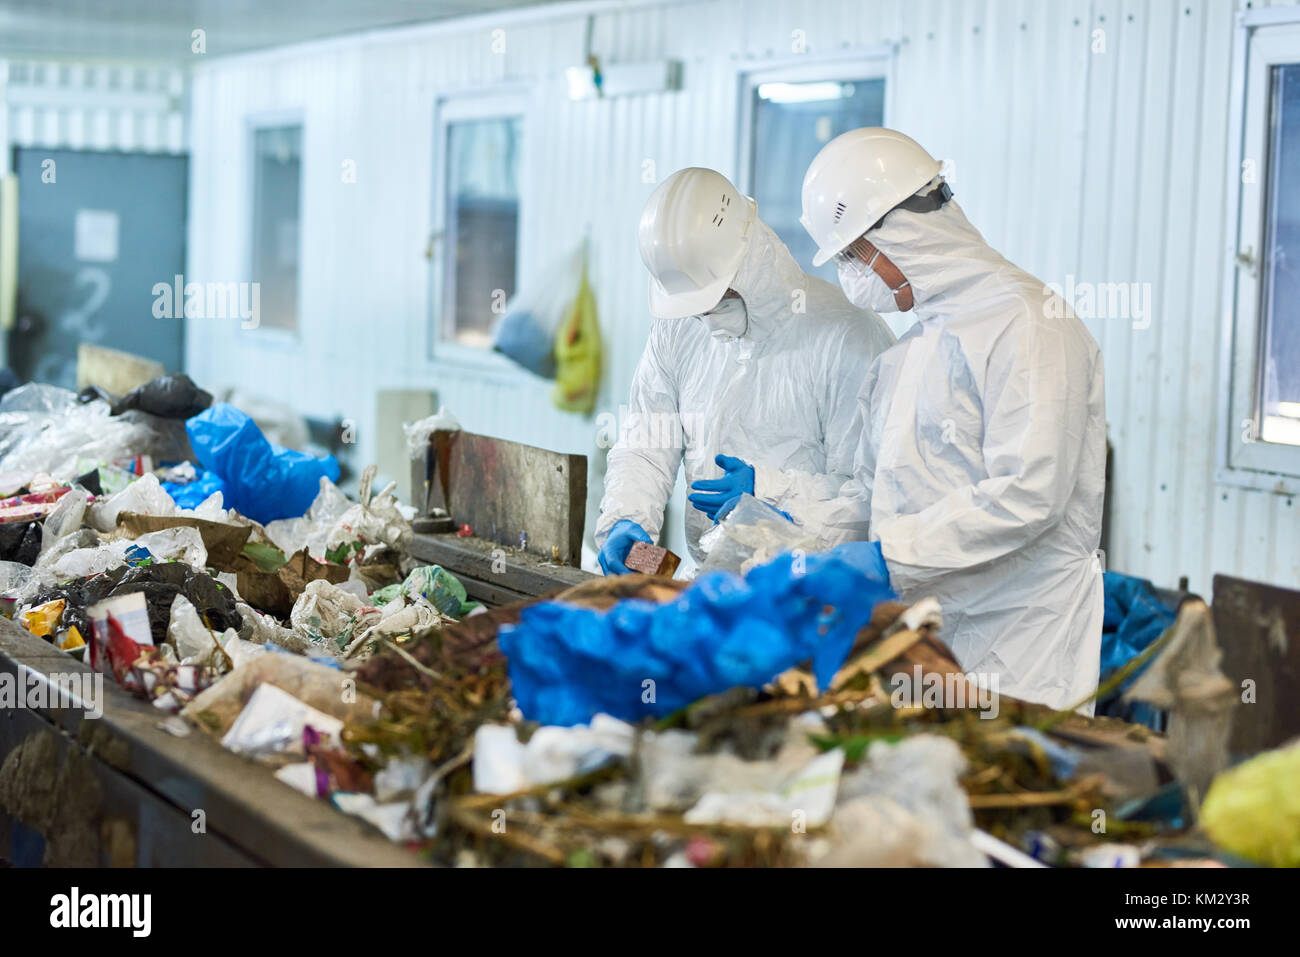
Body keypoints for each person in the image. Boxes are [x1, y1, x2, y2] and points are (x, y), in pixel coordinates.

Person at [800, 128, 1107, 712]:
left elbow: (1029, 492)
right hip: (926, 640)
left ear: (900, 233)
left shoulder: (1029, 324)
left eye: (851, 256)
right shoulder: (910, 353)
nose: (851, 276)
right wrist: (788, 526)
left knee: (1010, 795)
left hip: (1020, 650)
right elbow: (875, 491)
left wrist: (888, 556)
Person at [596, 167, 895, 573]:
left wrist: (771, 496)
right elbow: (648, 439)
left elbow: (872, 496)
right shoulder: (679, 325)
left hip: (808, 589)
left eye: (717, 298)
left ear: (751, 263)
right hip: (710, 584)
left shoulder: (848, 337)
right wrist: (625, 517)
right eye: (695, 306)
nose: (706, 318)